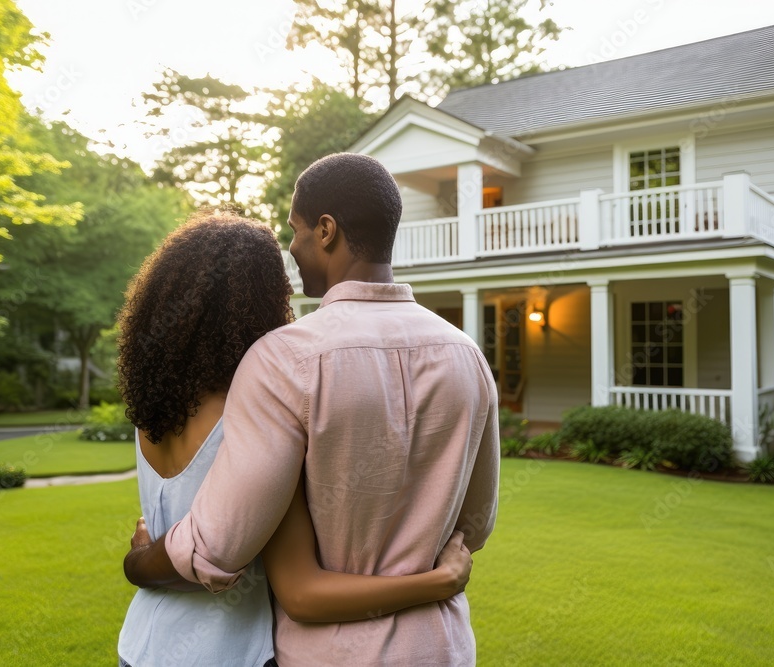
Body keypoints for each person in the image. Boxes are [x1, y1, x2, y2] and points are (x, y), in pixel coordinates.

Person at [125, 154, 501, 665]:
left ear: (326, 231)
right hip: (442, 649)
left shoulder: (285, 360)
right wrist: (429, 573)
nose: (292, 249)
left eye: (296, 232)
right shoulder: (467, 355)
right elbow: (475, 525)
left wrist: (140, 561)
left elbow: (219, 545)